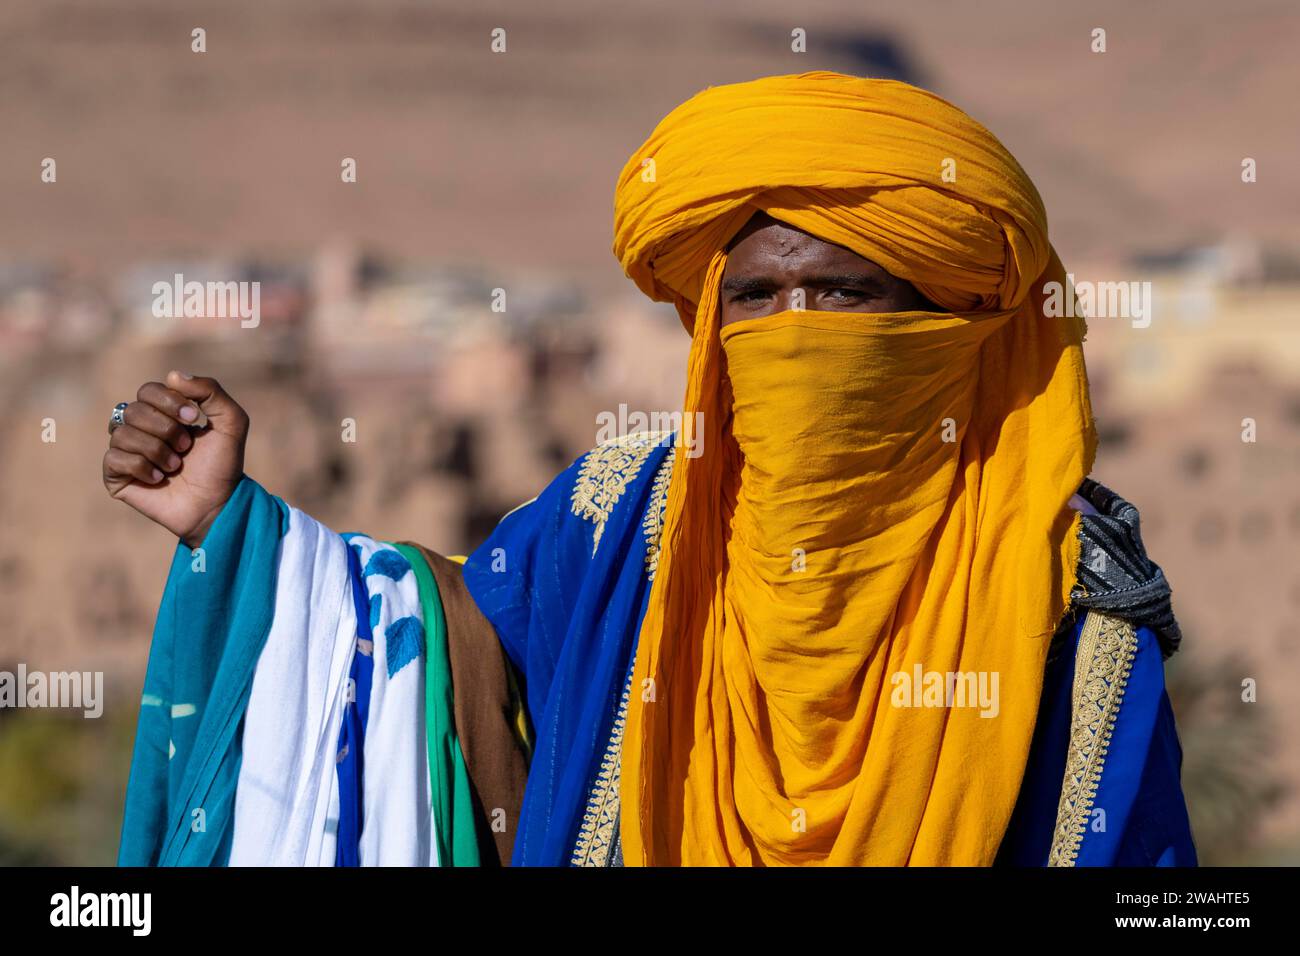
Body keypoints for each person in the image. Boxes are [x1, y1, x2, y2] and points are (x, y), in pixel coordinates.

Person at [103, 71, 1196, 867]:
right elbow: (453, 650)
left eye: (845, 294)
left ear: (951, 326)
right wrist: (243, 531)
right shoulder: (622, 513)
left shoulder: (1069, 589)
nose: (791, 326)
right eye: (756, 298)